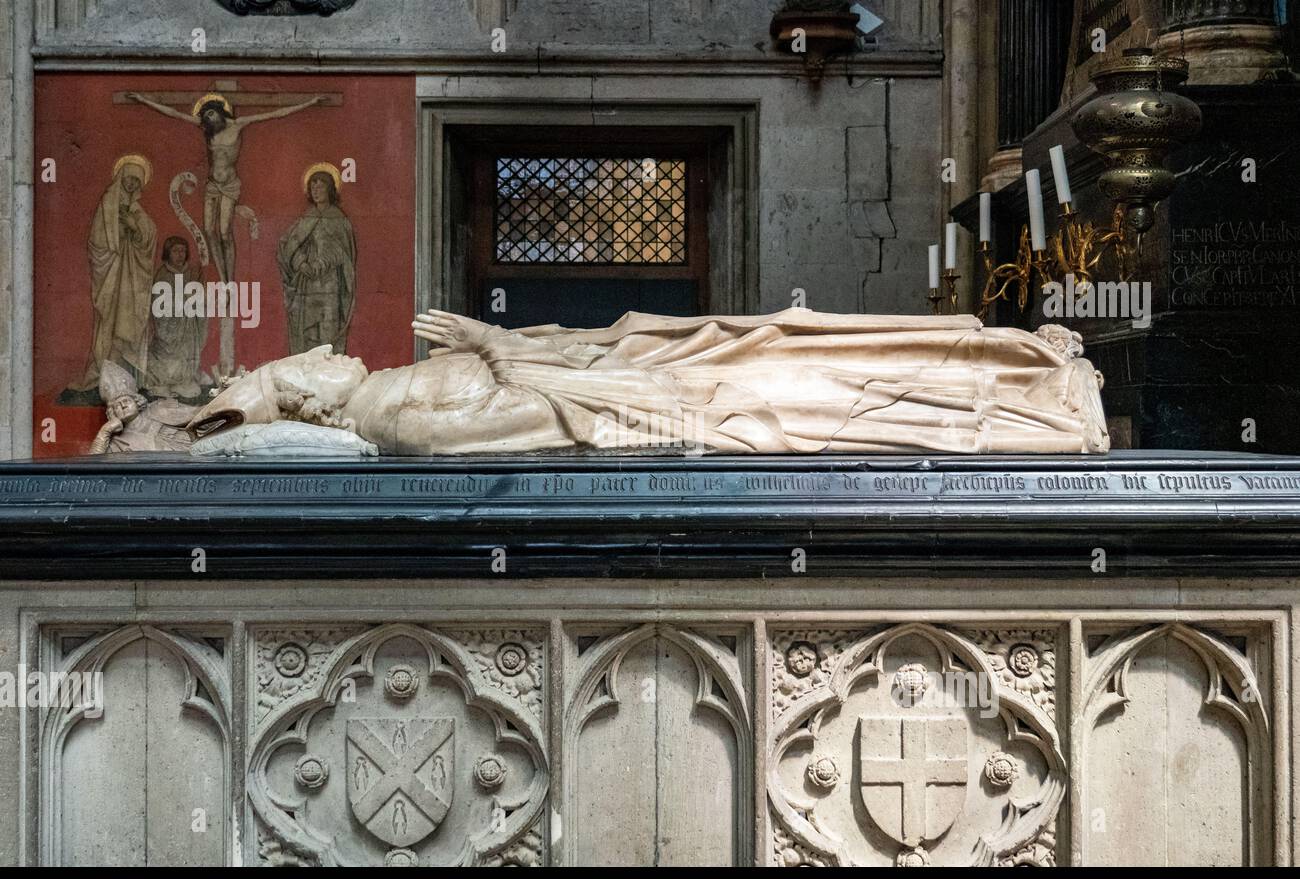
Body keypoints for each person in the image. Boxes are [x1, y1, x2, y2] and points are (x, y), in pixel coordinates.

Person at [187, 307, 1111, 456]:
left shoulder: (386, 385)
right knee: (810, 381)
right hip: (649, 396)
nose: (323, 350)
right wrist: (491, 338)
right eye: (303, 362)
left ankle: (1027, 385)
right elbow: (528, 418)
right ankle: (1026, 403)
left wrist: (507, 342)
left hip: (635, 368)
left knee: (803, 350)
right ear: (308, 397)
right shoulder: (386, 412)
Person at [126, 92, 323, 286]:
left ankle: (230, 280)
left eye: (211, 114)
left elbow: (276, 113)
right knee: (209, 230)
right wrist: (144, 100)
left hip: (229, 185)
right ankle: (223, 278)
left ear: (221, 112)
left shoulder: (237, 124)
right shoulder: (206, 128)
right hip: (212, 184)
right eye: (205, 116)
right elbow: (173, 113)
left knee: (224, 233)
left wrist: (310, 102)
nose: (208, 119)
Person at [62, 155, 157, 403]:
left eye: (137, 181)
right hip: (113, 276)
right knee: (109, 327)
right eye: (129, 179)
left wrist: (134, 226)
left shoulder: (137, 209)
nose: (132, 185)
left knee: (128, 326)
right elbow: (97, 243)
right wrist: (118, 234)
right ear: (120, 178)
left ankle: (129, 379)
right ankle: (103, 377)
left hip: (132, 279)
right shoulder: (108, 204)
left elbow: (149, 237)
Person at [278, 164, 357, 355]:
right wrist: (300, 263)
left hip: (330, 287)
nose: (316, 190)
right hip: (307, 287)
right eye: (313, 187)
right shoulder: (306, 218)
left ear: (330, 189)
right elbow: (286, 245)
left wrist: (322, 264)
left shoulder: (339, 219)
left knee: (328, 335)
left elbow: (344, 253)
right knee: (308, 336)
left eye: (321, 186)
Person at [144, 236, 210, 401]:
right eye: (175, 251)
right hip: (168, 324)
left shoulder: (192, 272)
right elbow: (157, 303)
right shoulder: (162, 274)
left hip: (188, 323)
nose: (180, 254)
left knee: (187, 351)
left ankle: (183, 382)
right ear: (168, 253)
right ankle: (165, 383)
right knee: (165, 354)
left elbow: (200, 296)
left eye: (183, 251)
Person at [90, 361, 194, 454]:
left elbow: (197, 414)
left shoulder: (159, 410)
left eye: (127, 400)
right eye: (117, 405)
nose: (123, 405)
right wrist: (105, 430)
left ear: (137, 402)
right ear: (112, 413)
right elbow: (94, 466)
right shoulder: (119, 442)